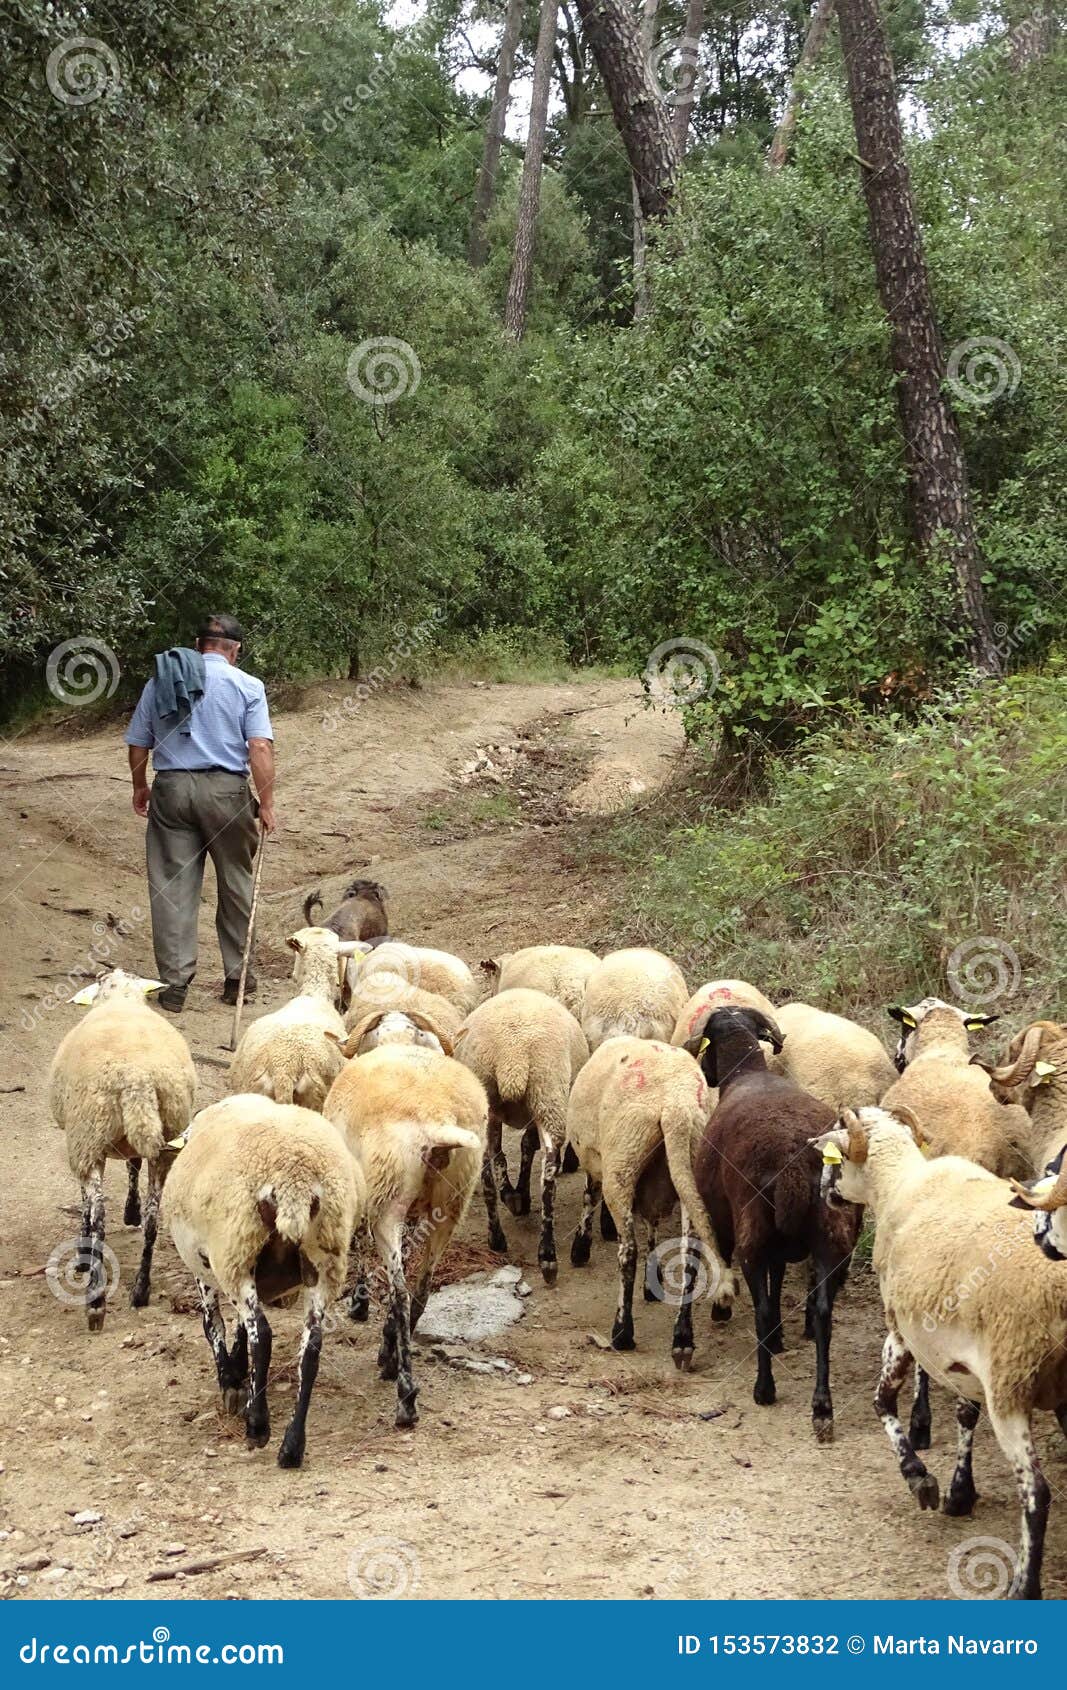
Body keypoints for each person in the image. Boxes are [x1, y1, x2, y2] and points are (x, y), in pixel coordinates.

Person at [124, 613, 276, 1013]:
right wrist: (268, 802)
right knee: (236, 883)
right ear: (235, 649)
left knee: (172, 887)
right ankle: (237, 978)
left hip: (172, 788)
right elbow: (259, 748)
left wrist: (141, 785)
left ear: (198, 644)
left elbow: (139, 744)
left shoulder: (161, 680)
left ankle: (174, 986)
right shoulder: (247, 685)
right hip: (227, 792)